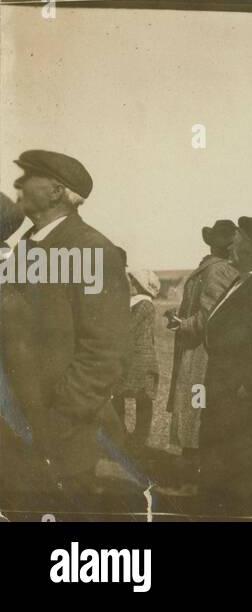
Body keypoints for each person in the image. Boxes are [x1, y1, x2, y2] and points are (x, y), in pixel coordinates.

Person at [0, 151, 129, 496]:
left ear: (56, 190)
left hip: (61, 440)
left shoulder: (93, 250)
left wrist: (53, 424)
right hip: (15, 430)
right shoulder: (27, 248)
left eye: (28, 176)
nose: (17, 183)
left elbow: (104, 354)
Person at [199, 216, 252, 513]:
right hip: (223, 394)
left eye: (238, 239)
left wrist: (242, 390)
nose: (231, 244)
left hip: (239, 404)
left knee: (234, 482)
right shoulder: (240, 282)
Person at [166, 221, 239, 462]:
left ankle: (194, 472)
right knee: (195, 408)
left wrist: (183, 324)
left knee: (196, 408)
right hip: (199, 349)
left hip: (201, 352)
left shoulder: (215, 270)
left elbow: (212, 315)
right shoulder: (218, 268)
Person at [112, 269, 161, 451]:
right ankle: (124, 434)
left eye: (132, 281)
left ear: (140, 285)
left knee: (142, 397)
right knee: (124, 395)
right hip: (133, 357)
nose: (129, 284)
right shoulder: (137, 304)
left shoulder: (143, 305)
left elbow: (127, 328)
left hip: (140, 359)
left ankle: (139, 438)